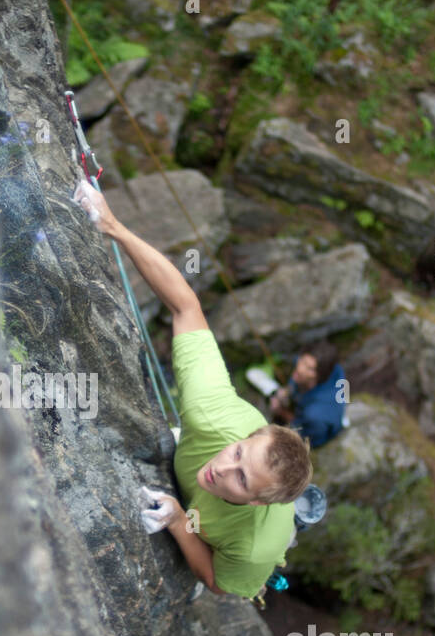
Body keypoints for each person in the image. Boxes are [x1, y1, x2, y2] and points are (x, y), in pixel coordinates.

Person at [74, 181, 311, 600]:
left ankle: (300, 519)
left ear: (257, 503)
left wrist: (180, 522)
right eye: (237, 453)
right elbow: (186, 307)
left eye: (241, 479)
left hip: (239, 546)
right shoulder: (219, 417)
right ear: (244, 437)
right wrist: (113, 226)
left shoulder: (255, 545)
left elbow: (219, 582)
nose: (223, 468)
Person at [268, 342, 346, 449]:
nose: (300, 368)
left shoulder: (315, 415)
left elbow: (302, 430)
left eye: (309, 368)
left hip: (318, 430)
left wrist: (280, 411)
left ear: (319, 375)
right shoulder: (334, 369)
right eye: (303, 361)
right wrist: (289, 390)